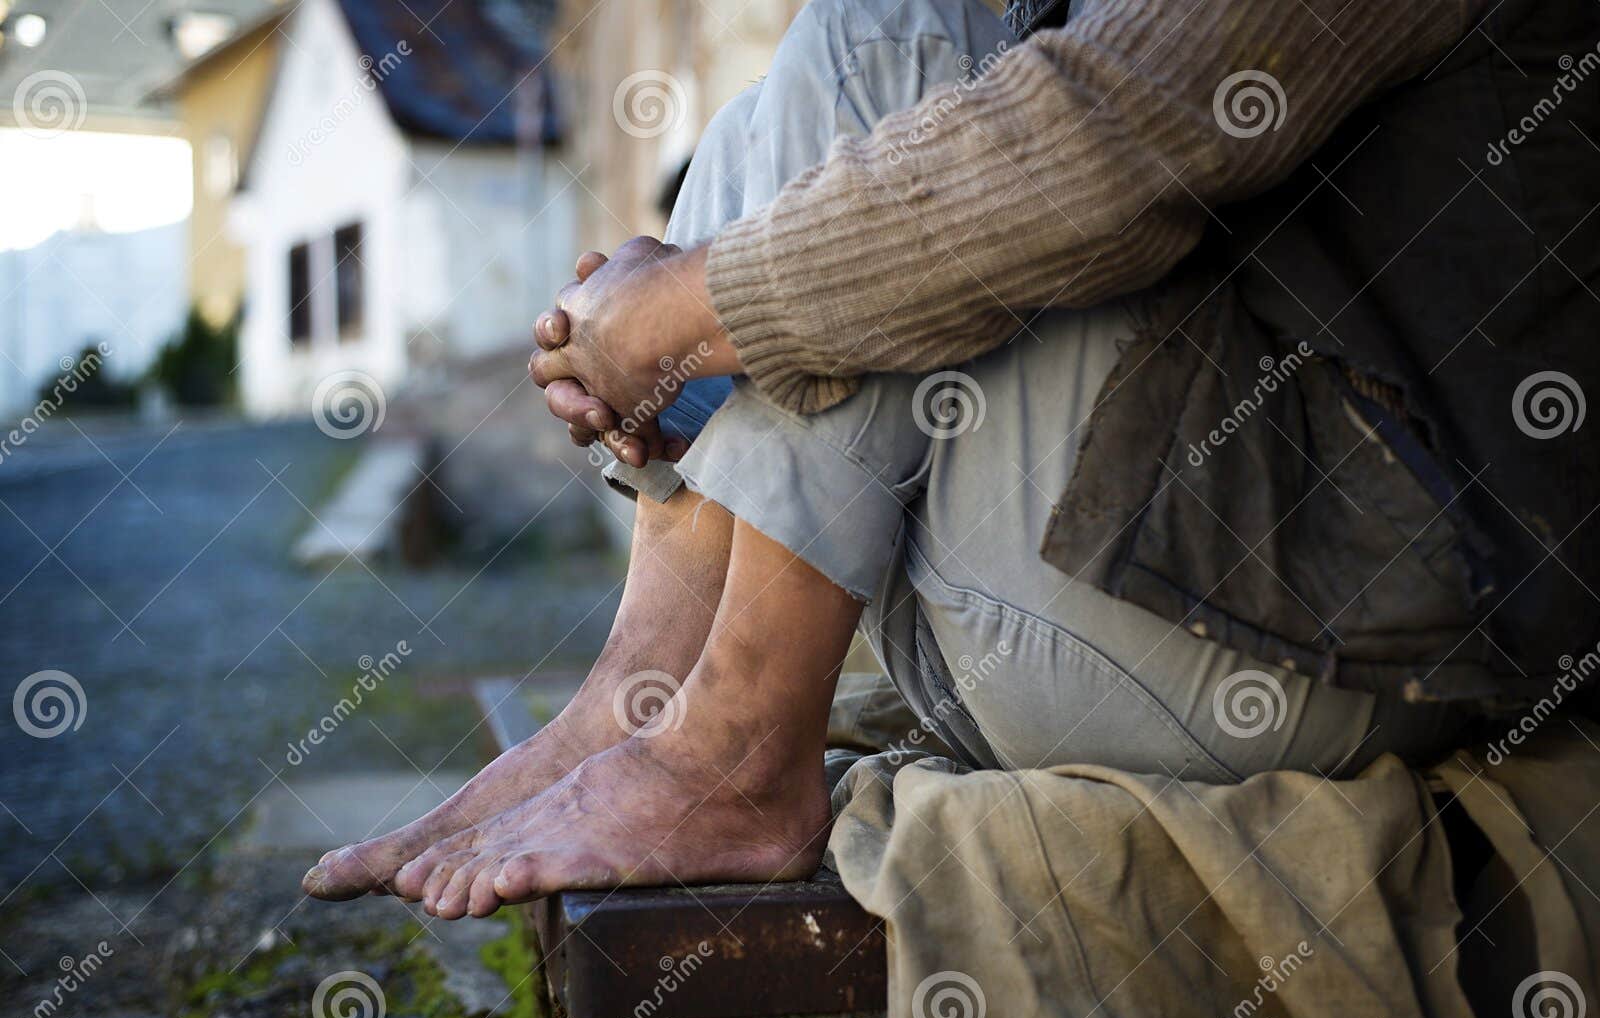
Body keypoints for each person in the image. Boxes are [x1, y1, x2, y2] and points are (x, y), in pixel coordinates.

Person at [304, 0, 1599, 919]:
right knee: (825, 79)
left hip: (1330, 639)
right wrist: (673, 329)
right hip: (1121, 604)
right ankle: (644, 698)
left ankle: (737, 751)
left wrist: (685, 308)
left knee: (906, 39)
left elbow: (1109, 142)